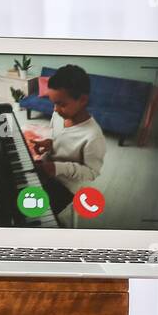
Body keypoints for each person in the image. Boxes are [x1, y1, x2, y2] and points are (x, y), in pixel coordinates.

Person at [30, 64, 106, 226]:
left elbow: (91, 173)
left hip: (66, 186)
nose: (56, 110)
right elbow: (60, 139)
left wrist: (57, 168)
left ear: (83, 100)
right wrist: (49, 143)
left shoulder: (93, 136)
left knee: (30, 215)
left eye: (61, 104)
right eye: (53, 104)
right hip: (46, 168)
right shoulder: (59, 116)